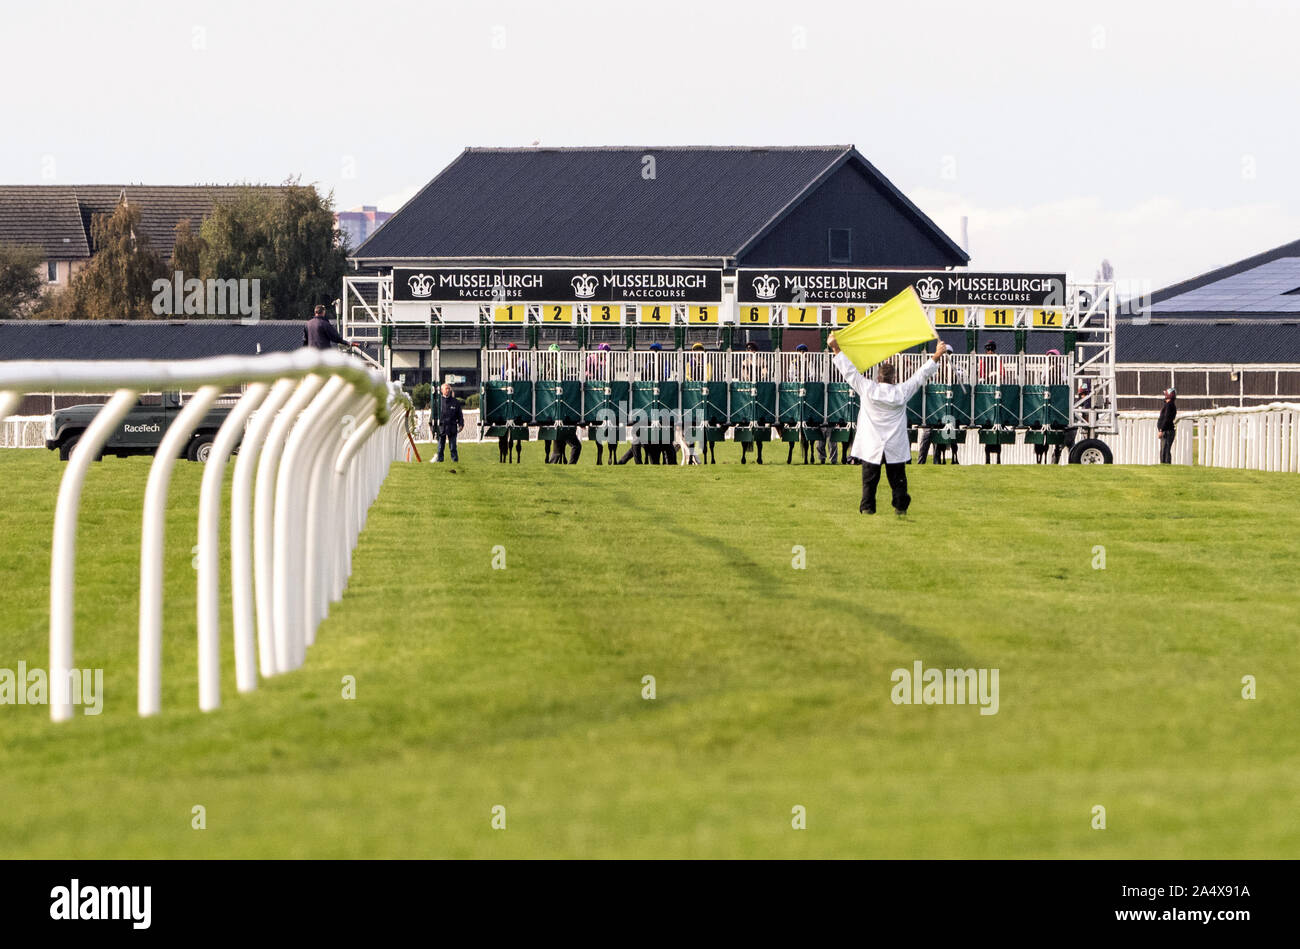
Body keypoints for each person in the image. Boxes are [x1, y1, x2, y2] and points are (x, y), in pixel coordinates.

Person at [829, 334, 949, 515]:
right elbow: (920, 375)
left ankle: (867, 509)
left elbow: (849, 373)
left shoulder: (867, 389)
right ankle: (900, 507)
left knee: (869, 482)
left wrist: (836, 349)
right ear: (894, 379)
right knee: (898, 480)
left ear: (878, 378)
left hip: (871, 445)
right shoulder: (901, 391)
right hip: (895, 445)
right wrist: (936, 355)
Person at [434, 383, 463, 463]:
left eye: (449, 389)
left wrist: (461, 424)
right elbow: (433, 415)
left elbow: (460, 415)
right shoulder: (438, 402)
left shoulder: (455, 402)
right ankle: (440, 460)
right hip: (441, 427)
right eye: (446, 389)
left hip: (452, 427)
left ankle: (455, 460)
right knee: (440, 447)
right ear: (442, 390)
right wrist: (432, 427)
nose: (448, 390)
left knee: (453, 446)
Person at [1157, 387, 1178, 464]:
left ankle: (1165, 465)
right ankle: (1164, 464)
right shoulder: (1169, 405)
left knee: (1165, 451)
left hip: (1167, 431)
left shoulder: (1169, 405)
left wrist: (1161, 430)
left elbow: (1166, 419)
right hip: (1167, 430)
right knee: (1164, 450)